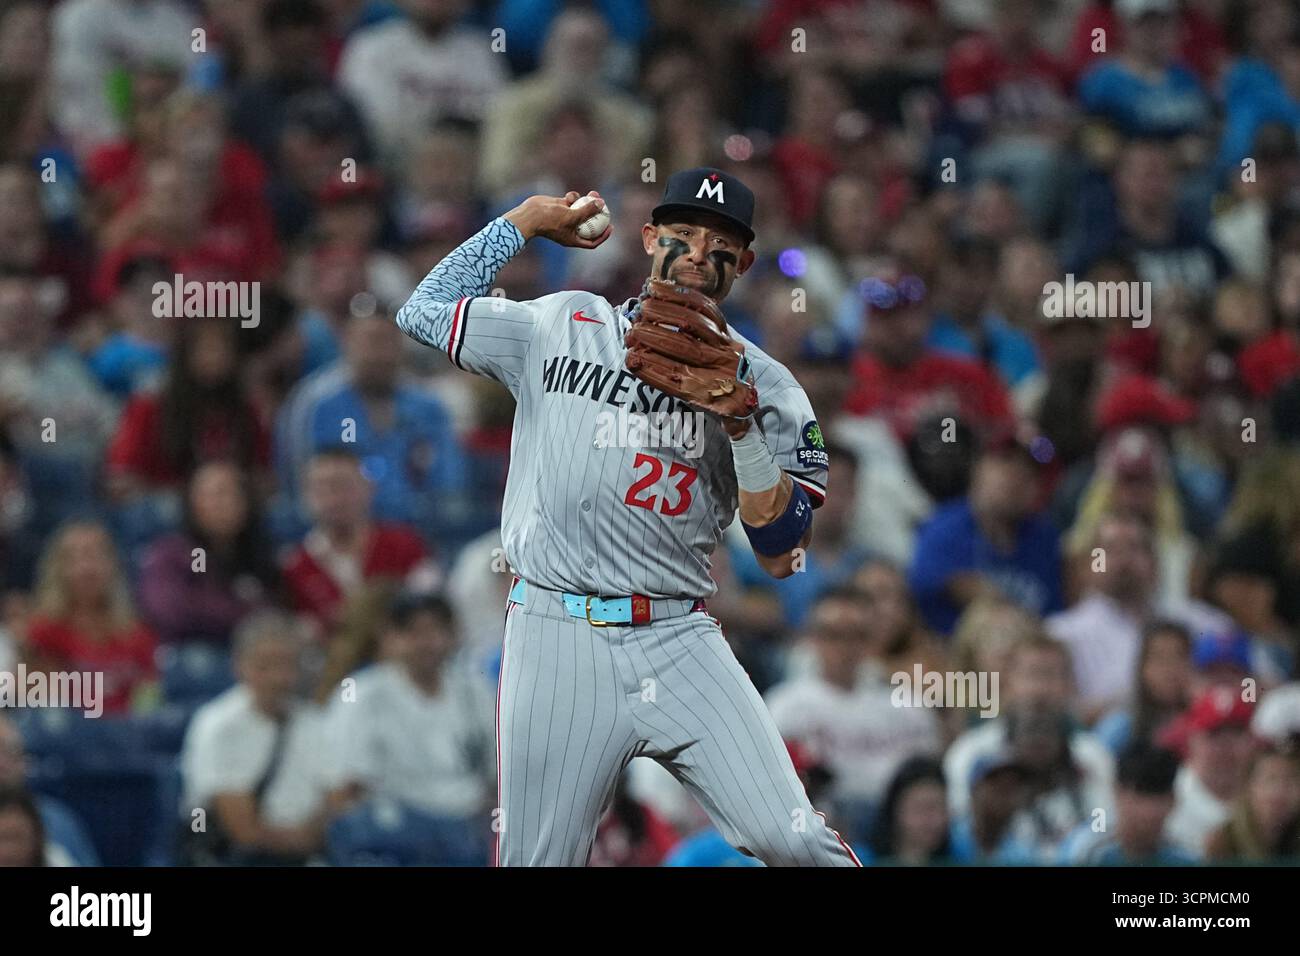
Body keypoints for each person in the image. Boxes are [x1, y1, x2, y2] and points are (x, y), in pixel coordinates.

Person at [394, 167, 859, 866]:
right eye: (683, 235)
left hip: (678, 636)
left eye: (721, 243)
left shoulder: (769, 388)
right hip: (555, 632)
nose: (701, 253)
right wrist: (522, 220)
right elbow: (421, 311)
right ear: (649, 239)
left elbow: (780, 546)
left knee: (791, 838)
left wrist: (741, 429)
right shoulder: (563, 323)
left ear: (745, 264)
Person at [325, 591, 494, 866]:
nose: (426, 643)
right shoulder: (362, 693)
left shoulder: (474, 689)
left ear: (452, 635)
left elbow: (495, 775)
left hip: (466, 823)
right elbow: (345, 784)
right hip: (398, 825)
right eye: (413, 632)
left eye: (436, 631)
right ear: (389, 637)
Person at [765, 587, 943, 843]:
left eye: (858, 635)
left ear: (872, 639)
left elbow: (928, 779)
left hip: (895, 836)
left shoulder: (907, 706)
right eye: (834, 635)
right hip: (819, 831)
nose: (847, 647)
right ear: (813, 639)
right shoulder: (785, 707)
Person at [178, 610, 333, 865]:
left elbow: (336, 798)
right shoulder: (218, 725)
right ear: (239, 665)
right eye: (265, 665)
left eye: (287, 664)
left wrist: (319, 836)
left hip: (313, 855)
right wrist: (305, 842)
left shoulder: (314, 722)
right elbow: (243, 832)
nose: (278, 677)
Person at [909, 432, 1063, 636]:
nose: (1016, 476)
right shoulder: (944, 528)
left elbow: (1055, 615)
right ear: (977, 469)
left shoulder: (1044, 538)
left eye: (1029, 472)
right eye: (1004, 462)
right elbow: (941, 586)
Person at [280, 448, 436, 636]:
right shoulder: (294, 566)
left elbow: (430, 609)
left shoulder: (406, 546)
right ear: (306, 495)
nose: (334, 499)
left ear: (369, 489)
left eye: (343, 486)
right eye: (321, 488)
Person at [22, 519, 157, 715]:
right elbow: (41, 706)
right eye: (74, 558)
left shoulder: (136, 633)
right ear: (58, 569)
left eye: (95, 556)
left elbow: (149, 701)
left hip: (127, 735)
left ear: (112, 564)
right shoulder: (43, 631)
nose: (86, 568)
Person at [138, 461, 278, 646]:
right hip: (195, 650)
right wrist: (242, 613)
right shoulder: (187, 552)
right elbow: (175, 610)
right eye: (209, 495)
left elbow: (274, 609)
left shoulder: (256, 552)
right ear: (191, 501)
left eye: (227, 493)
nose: (219, 504)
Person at [1058, 741, 1194, 865]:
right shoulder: (1085, 851)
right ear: (1117, 792)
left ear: (1173, 800)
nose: (1150, 810)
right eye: (1140, 796)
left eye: (1159, 797)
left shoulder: (1184, 854)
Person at [1164, 687, 1257, 858]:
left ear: (1253, 740)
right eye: (1214, 733)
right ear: (1191, 740)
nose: (1226, 745)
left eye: (1237, 731)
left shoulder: (1270, 797)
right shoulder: (1168, 797)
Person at [1093, 620, 1194, 755]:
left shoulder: (1207, 724)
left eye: (1179, 656)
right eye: (1159, 658)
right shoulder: (1122, 725)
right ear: (1142, 668)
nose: (1170, 668)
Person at [1205, 743, 1300, 862]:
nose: (1279, 791)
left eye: (1290, 781)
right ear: (1249, 786)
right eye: (1270, 779)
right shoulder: (1223, 842)